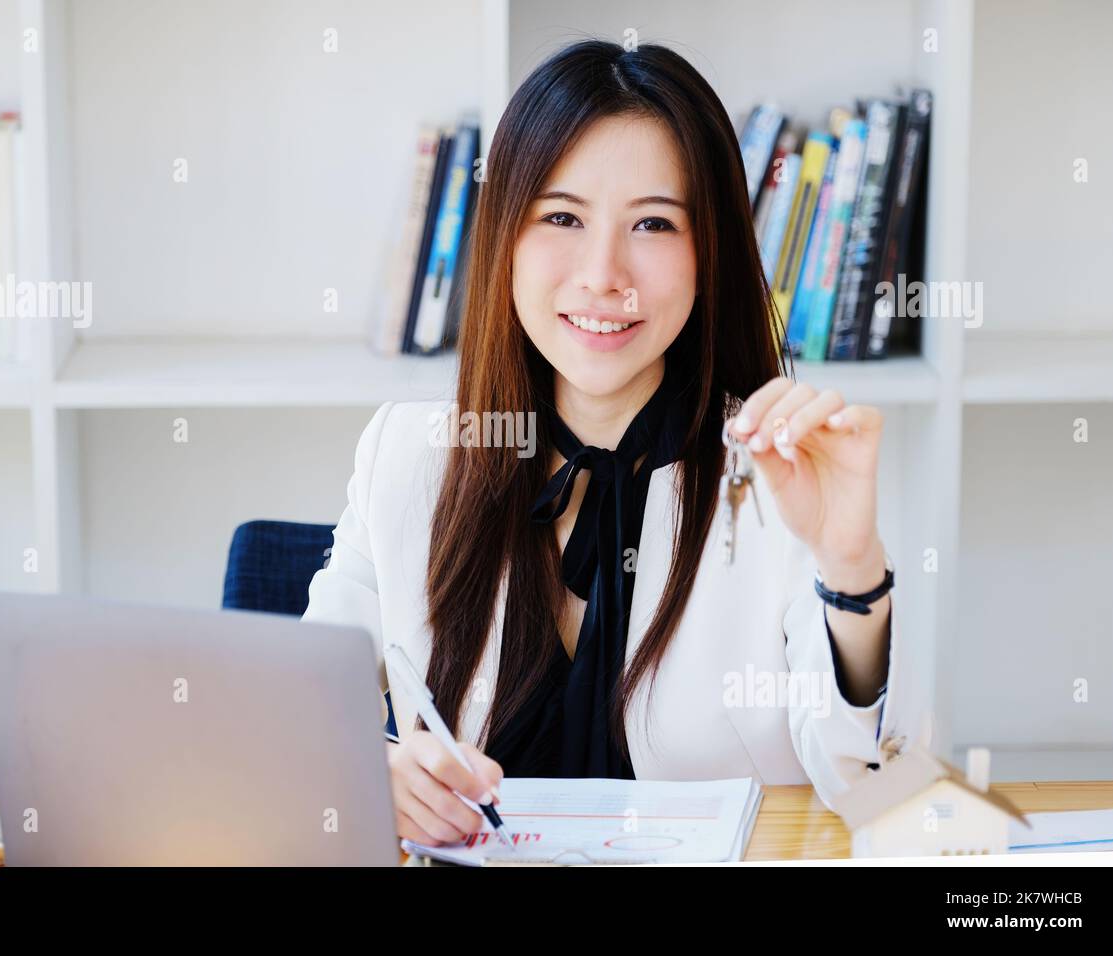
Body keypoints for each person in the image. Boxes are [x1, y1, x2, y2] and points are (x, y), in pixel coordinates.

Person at [302, 39, 920, 848]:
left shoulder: (783, 468)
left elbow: (870, 788)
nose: (603, 273)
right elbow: (301, 721)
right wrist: (368, 771)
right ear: (505, 240)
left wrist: (850, 570)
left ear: (709, 254)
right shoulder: (408, 455)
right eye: (562, 217)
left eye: (654, 224)